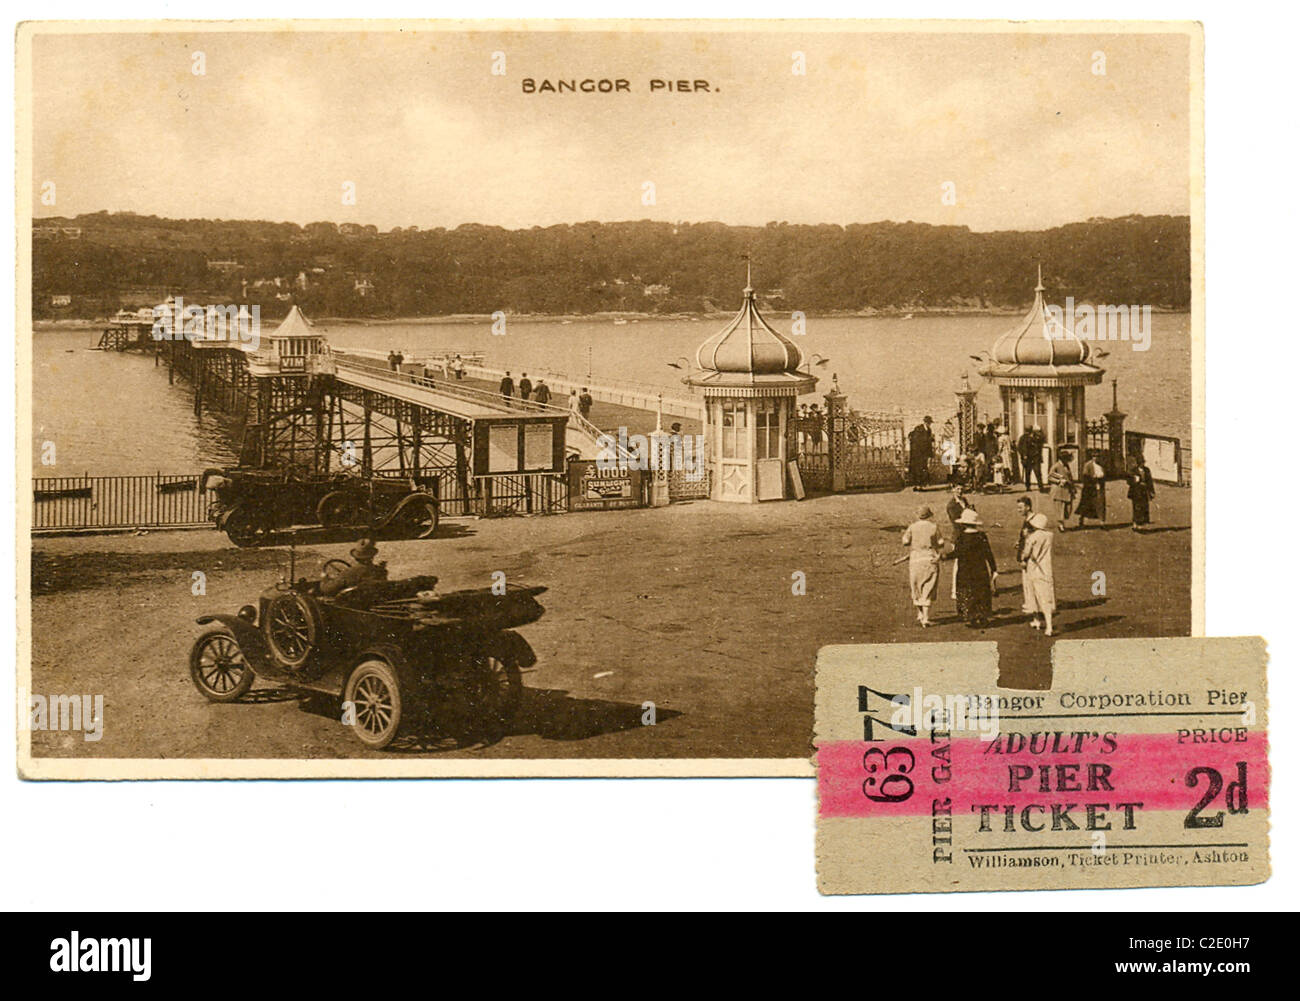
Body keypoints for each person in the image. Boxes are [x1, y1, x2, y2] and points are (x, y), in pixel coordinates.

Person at [951, 508, 998, 628]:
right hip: (980, 569)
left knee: (967, 592)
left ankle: (970, 617)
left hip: (965, 569)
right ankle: (982, 616)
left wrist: (945, 556)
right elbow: (988, 553)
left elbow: (957, 552)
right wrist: (993, 568)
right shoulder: (981, 536)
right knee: (981, 592)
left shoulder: (962, 537)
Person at [902, 505, 944, 627]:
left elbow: (905, 541)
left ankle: (920, 613)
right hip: (930, 558)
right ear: (929, 515)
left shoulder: (912, 527)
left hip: (916, 559)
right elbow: (941, 542)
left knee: (916, 586)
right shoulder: (934, 527)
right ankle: (925, 617)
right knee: (928, 586)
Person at [1021, 512, 1056, 635]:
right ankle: (1049, 626)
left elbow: (1026, 554)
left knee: (1032, 594)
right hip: (1046, 568)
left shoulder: (1032, 537)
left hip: (1033, 568)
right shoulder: (1050, 535)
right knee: (1045, 597)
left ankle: (1036, 620)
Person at [320, 537, 388, 598]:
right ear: (372, 556)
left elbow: (327, 589)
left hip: (349, 606)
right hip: (373, 604)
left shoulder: (348, 573)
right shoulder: (380, 572)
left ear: (355, 558)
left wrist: (324, 578)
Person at [1076, 451, 1107, 528]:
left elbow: (1105, 475)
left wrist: (1101, 479)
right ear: (1092, 457)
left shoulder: (1101, 465)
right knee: (1086, 504)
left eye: (1097, 456)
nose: (1096, 458)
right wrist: (1093, 479)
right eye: (1094, 456)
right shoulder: (1088, 465)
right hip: (1089, 488)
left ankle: (1102, 522)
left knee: (1101, 504)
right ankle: (1081, 519)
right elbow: (1085, 476)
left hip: (1099, 487)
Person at [1048, 449, 1075, 532]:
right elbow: (1050, 477)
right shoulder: (1056, 466)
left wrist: (1073, 488)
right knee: (1060, 509)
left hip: (1067, 490)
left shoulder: (1066, 465)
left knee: (1068, 509)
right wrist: (1059, 481)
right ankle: (1061, 526)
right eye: (1066, 458)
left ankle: (1062, 524)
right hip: (1058, 491)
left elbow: (1069, 477)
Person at [1127, 456, 1156, 531]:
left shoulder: (1147, 470)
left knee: (1144, 507)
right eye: (1141, 463)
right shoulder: (1133, 470)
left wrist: (1152, 491)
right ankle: (1135, 523)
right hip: (1136, 491)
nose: (1142, 464)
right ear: (1138, 463)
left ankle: (1141, 523)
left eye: (1143, 462)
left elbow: (1150, 481)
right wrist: (1134, 480)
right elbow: (1128, 481)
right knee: (1136, 507)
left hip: (1144, 491)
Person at [908, 416, 934, 490]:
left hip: (924, 453)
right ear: (925, 422)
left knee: (923, 469)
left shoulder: (929, 430)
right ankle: (917, 485)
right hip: (917, 453)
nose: (929, 424)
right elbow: (915, 439)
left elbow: (928, 442)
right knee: (917, 469)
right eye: (928, 422)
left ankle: (921, 485)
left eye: (930, 423)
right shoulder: (918, 429)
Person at [1018, 424, 1044, 491]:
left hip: (1034, 457)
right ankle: (1029, 486)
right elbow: (1020, 448)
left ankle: (1040, 486)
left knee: (1036, 472)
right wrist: (1023, 455)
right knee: (1029, 473)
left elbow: (1040, 445)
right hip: (1028, 458)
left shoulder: (1035, 437)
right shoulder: (1023, 438)